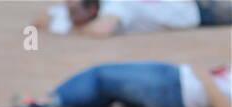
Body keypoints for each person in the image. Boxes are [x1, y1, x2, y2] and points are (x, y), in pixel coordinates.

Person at [0, 62, 231, 107]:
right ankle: (57, 105)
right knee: (108, 93)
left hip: (174, 88)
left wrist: (203, 74)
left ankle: (44, 104)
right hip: (174, 84)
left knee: (100, 76)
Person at [32, 1, 230, 38]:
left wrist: (68, 29)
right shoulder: (76, 10)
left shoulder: (116, 5)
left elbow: (100, 31)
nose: (68, 14)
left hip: (201, 11)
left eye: (73, 11)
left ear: (91, 9)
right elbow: (40, 20)